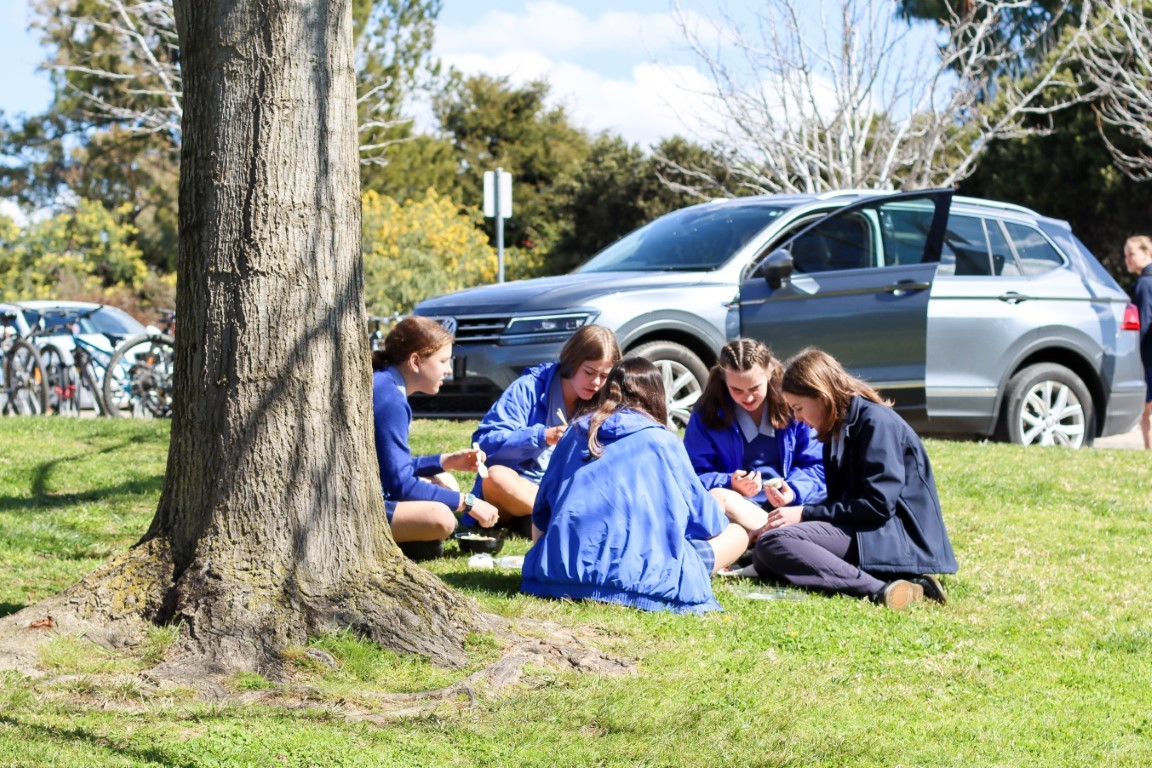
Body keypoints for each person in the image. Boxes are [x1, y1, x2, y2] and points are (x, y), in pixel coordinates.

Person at [520, 358, 748, 613]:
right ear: (656, 396)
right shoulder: (665, 442)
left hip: (556, 574)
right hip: (646, 580)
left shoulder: (575, 433)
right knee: (737, 534)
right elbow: (708, 522)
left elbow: (542, 512)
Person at [751, 347, 958, 609]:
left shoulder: (876, 423)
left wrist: (804, 515)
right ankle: (893, 579)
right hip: (868, 531)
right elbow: (843, 501)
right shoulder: (836, 429)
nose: (798, 418)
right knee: (765, 554)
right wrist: (793, 511)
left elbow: (877, 505)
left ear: (822, 395)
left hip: (896, 537)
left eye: (799, 408)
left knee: (777, 543)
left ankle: (883, 590)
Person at [467, 325, 621, 530]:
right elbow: (484, 444)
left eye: (604, 376)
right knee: (496, 476)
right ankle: (566, 520)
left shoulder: (605, 399)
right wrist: (542, 436)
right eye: (589, 372)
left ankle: (542, 519)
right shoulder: (529, 387)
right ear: (572, 360)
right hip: (517, 487)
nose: (596, 382)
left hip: (561, 489)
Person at [372, 316, 499, 560]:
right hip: (359, 507)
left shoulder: (388, 385)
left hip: (379, 490)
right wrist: (468, 502)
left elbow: (392, 467)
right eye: (442, 361)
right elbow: (399, 484)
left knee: (446, 480)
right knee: (443, 519)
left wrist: (445, 461)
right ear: (416, 361)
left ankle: (416, 543)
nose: (449, 369)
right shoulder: (390, 399)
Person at [683, 339, 826, 538]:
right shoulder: (706, 413)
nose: (748, 398)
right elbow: (692, 475)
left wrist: (793, 491)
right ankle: (769, 536)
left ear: (769, 373)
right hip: (738, 508)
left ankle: (761, 538)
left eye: (754, 388)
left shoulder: (794, 405)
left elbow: (817, 465)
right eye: (737, 390)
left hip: (790, 508)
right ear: (724, 380)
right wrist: (730, 483)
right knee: (720, 499)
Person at [1124, 235, 1152, 450]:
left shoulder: (1144, 284)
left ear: (1146, 252)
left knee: (1146, 411)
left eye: (1131, 254)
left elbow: (1142, 324)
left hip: (1149, 356)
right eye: (1125, 255)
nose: (1127, 260)